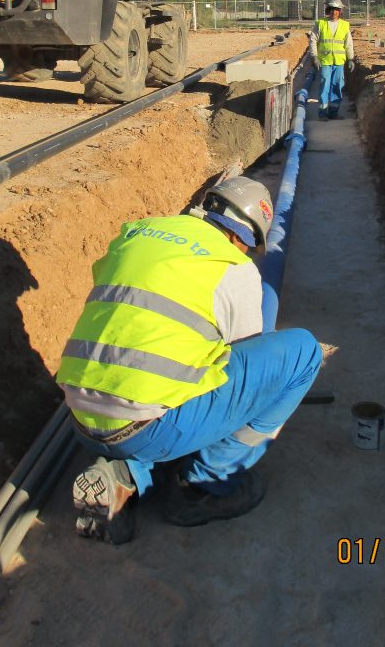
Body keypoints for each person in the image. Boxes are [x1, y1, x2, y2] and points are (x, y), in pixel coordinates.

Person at [56, 176, 323, 544]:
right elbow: (240, 370)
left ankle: (125, 475)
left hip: (79, 416)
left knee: (161, 385)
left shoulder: (138, 232)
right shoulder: (232, 266)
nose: (247, 254)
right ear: (242, 237)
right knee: (303, 352)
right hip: (150, 427)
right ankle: (203, 483)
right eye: (249, 247)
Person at [310, 0, 355, 119]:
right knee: (325, 85)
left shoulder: (345, 25)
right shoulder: (321, 24)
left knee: (337, 85)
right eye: (332, 9)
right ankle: (322, 113)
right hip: (325, 60)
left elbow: (348, 43)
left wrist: (350, 58)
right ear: (328, 10)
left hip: (339, 61)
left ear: (340, 11)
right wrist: (315, 57)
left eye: (337, 10)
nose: (334, 12)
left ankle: (334, 112)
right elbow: (313, 40)